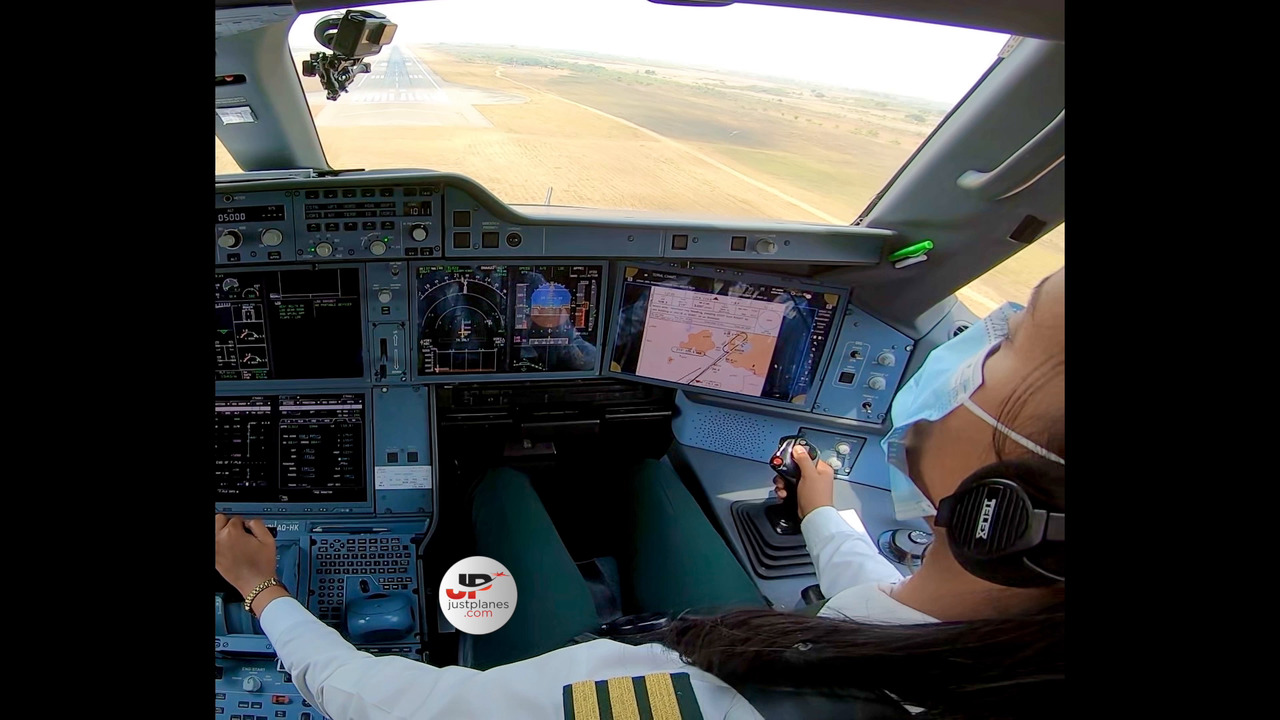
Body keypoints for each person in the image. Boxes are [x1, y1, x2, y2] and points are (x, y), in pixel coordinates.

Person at [215, 268, 1065, 719]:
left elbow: (405, 708)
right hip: (798, 643)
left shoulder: (700, 701)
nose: (974, 348)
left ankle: (497, 493)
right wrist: (822, 510)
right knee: (647, 465)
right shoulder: (1000, 641)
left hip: (708, 664)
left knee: (506, 484)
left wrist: (263, 588)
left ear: (1006, 506)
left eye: (1011, 337)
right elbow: (884, 605)